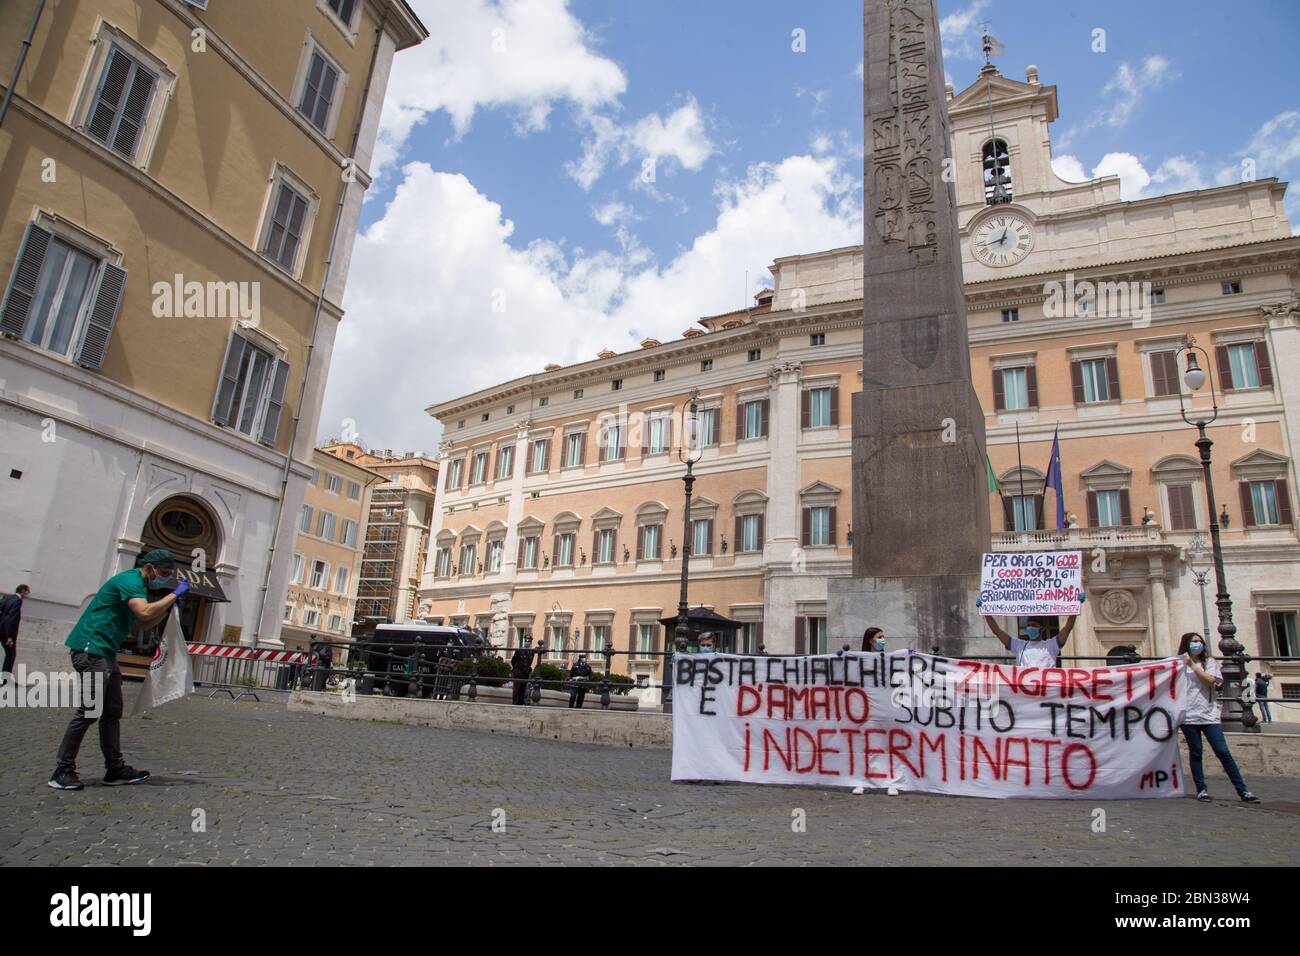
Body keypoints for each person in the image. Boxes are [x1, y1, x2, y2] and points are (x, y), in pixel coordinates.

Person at [49, 550, 190, 791]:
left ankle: (115, 769)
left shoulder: (140, 587)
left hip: (106, 652)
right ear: (150, 567)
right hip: (91, 649)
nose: (163, 578)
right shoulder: (131, 581)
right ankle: (62, 770)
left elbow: (142, 625)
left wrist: (167, 607)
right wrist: (172, 595)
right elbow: (144, 612)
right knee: (89, 711)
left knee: (112, 710)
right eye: (163, 573)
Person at [1178, 632, 1259, 803]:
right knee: (1196, 752)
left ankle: (1243, 790)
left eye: (1199, 642)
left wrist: (1192, 665)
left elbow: (1209, 681)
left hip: (1209, 714)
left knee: (1223, 752)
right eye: (1193, 642)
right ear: (1186, 644)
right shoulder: (1178, 664)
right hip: (1188, 715)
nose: (1197, 644)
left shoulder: (1209, 662)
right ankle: (1201, 790)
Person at [983, 595, 1084, 668]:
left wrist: (1076, 606)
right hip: (1026, 691)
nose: (1030, 628)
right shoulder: (1018, 645)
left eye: (1033, 625)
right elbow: (996, 630)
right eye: (1028, 625)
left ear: (1042, 628)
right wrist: (986, 611)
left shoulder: (1051, 645)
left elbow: (1067, 628)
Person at [0, 584, 30, 685]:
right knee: (10, 655)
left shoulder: (6, 598)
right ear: (23, 590)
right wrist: (10, 636)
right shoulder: (18, 601)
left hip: (1, 630)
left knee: (9, 655)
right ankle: (6, 680)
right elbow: (12, 619)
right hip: (7, 633)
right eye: (27, 591)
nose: (28, 594)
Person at [510, 636, 534, 705]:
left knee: (523, 689)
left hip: (525, 673)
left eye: (529, 641)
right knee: (516, 689)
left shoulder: (531, 652)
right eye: (526, 641)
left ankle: (520, 703)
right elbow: (513, 661)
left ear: (531, 642)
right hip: (518, 672)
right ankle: (514, 702)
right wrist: (516, 668)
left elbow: (529, 662)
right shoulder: (519, 650)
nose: (527, 642)